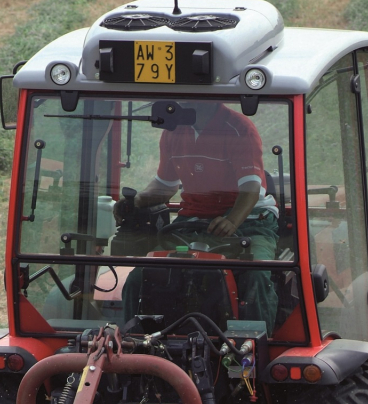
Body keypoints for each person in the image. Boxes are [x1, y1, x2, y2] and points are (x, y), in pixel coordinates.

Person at [115, 100, 280, 333]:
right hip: (192, 221)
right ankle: (135, 348)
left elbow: (251, 189)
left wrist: (232, 221)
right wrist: (136, 201)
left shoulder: (238, 128)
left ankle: (253, 353)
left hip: (250, 219)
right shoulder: (173, 130)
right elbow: (165, 185)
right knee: (139, 279)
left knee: (256, 276)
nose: (181, 101)